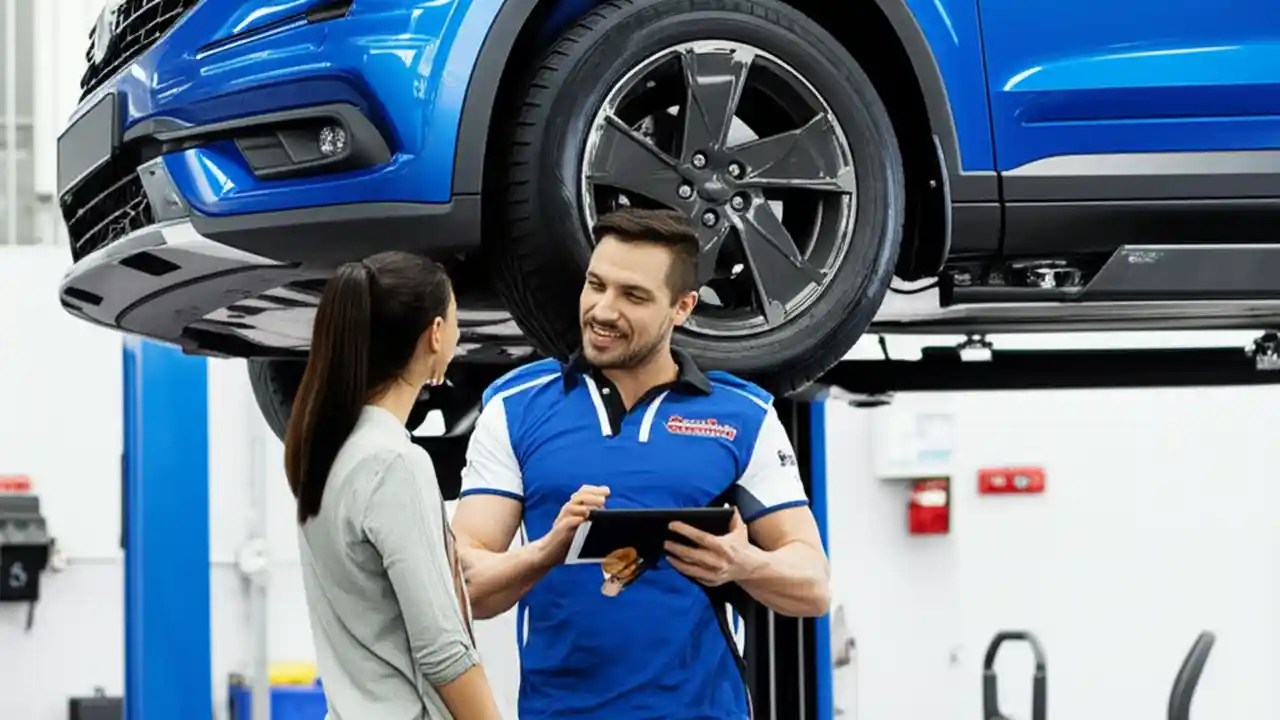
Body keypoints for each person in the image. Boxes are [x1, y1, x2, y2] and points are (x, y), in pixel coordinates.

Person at [451, 208, 831, 719]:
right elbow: (465, 587)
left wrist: (744, 563)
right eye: (595, 285)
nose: (603, 311)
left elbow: (813, 585)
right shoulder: (515, 407)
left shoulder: (743, 415)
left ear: (682, 307)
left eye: (632, 296)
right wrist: (547, 551)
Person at [283, 251, 503, 720]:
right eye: (457, 321)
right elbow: (443, 650)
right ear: (436, 334)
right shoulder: (395, 463)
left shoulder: (326, 452)